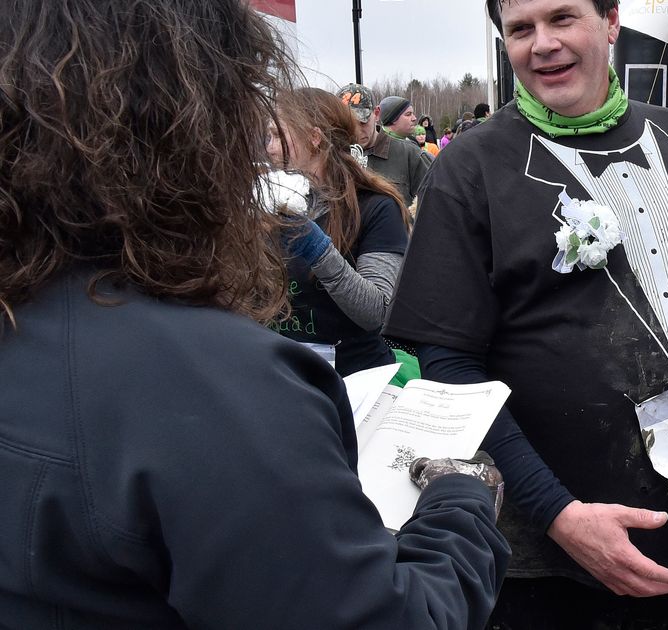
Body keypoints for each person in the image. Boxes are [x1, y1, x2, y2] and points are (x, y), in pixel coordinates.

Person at [0, 1, 509, 628]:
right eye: (249, 118)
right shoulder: (214, 390)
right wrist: (463, 499)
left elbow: (376, 309)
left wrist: (316, 250)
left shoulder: (30, 312)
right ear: (187, 127)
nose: (259, 147)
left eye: (272, 131)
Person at [384, 0, 668, 626]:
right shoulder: (470, 167)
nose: (541, 45)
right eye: (520, 29)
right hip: (550, 563)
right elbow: (450, 364)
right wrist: (559, 514)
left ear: (611, 20)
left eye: (562, 18)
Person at [266, 88, 411, 377]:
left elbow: (376, 312)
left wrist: (314, 246)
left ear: (314, 137)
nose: (269, 148)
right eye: (267, 137)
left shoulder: (376, 207)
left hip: (356, 380)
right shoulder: (265, 208)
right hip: (282, 375)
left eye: (278, 136)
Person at [336, 84, 429, 206]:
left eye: (362, 122)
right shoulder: (334, 158)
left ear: (377, 113)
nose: (356, 131)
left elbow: (436, 205)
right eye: (348, 124)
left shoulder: (411, 156)